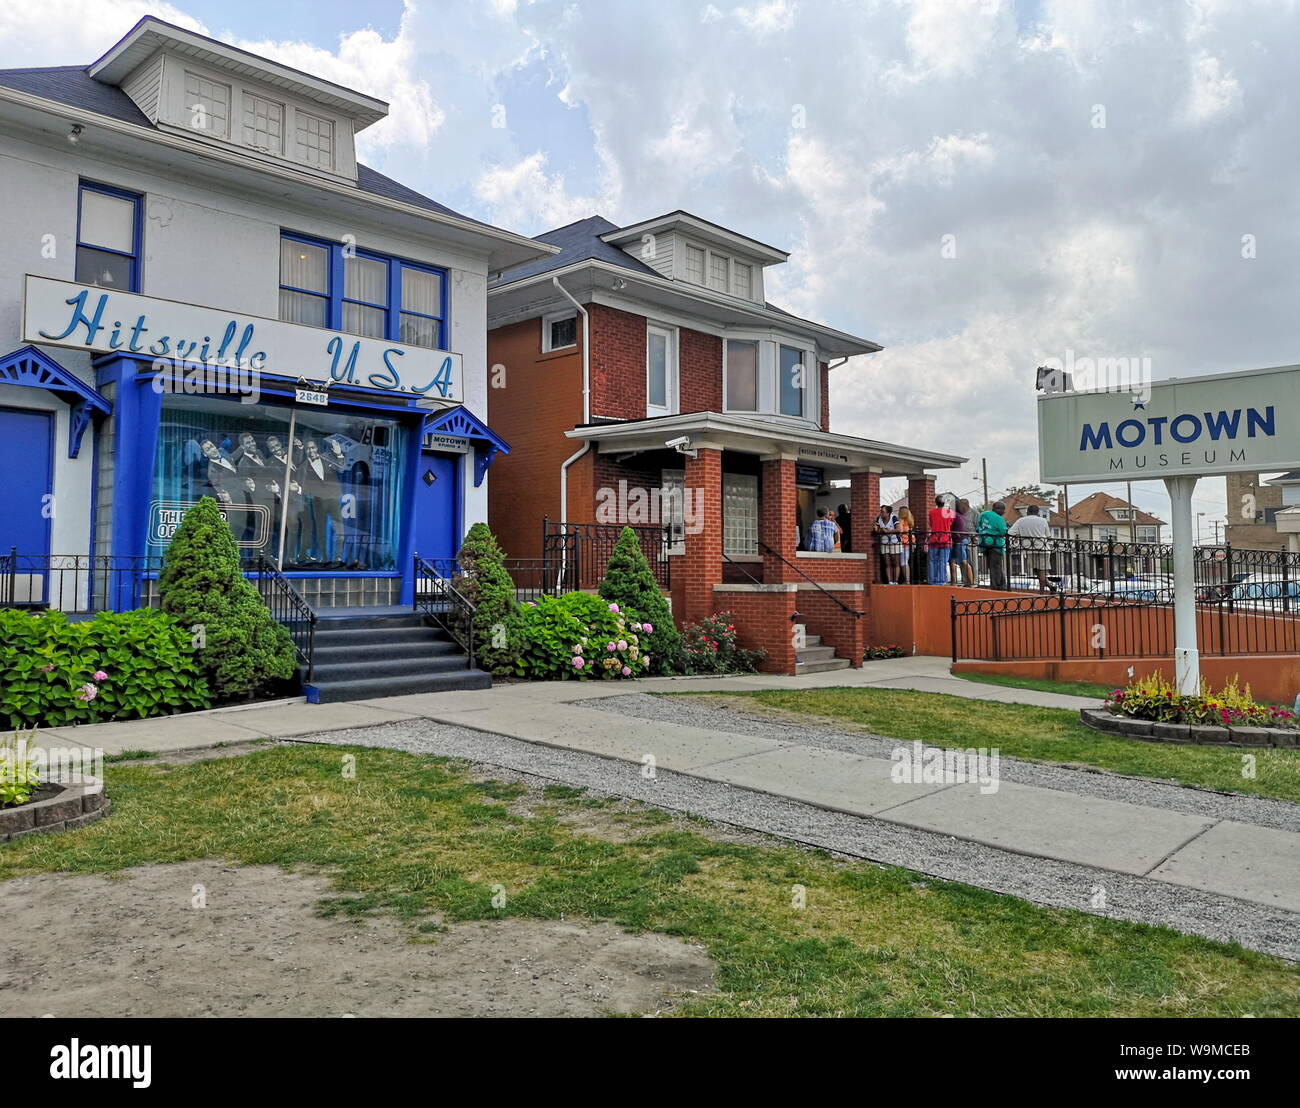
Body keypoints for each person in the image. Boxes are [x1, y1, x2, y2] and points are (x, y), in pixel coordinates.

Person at [1009, 503, 1052, 592]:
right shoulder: (1043, 520)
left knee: (1036, 570)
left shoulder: (1021, 520)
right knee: (1042, 571)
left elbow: (1010, 533)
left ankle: (1049, 587)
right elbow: (1048, 535)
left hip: (1029, 549)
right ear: (1038, 512)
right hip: (1042, 548)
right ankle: (1042, 593)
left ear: (1027, 512)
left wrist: (1019, 535)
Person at [977, 501, 1009, 589]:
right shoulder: (999, 518)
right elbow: (1003, 532)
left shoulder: (983, 515)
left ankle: (1000, 584)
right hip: (996, 544)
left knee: (991, 565)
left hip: (984, 543)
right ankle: (997, 585)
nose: (1004, 512)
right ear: (998, 509)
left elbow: (977, 527)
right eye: (1003, 510)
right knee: (996, 565)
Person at [926, 495, 953, 584]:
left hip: (934, 539)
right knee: (943, 562)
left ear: (936, 503)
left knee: (932, 561)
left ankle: (932, 581)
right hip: (946, 539)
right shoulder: (949, 512)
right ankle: (941, 581)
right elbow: (950, 523)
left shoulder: (931, 512)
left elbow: (931, 524)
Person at [950, 498, 976, 586]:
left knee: (963, 561)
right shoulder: (960, 516)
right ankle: (957, 582)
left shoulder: (955, 515)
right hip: (960, 540)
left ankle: (970, 582)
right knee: (955, 561)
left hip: (959, 540)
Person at [874, 503, 901, 583]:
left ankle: (896, 581)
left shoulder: (894, 518)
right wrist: (880, 530)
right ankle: (890, 581)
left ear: (888, 513)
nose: (881, 513)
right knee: (887, 563)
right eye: (880, 511)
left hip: (894, 542)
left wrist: (888, 531)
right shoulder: (879, 519)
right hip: (885, 543)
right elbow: (875, 529)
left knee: (895, 562)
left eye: (883, 512)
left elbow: (899, 529)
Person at [896, 506, 915, 584]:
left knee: (903, 562)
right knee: (905, 561)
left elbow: (899, 532)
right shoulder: (910, 521)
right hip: (910, 543)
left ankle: (907, 580)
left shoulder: (901, 521)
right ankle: (907, 580)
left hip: (904, 543)